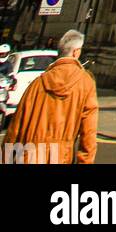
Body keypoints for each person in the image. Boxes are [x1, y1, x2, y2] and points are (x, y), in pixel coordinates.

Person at [5, 29, 97, 164]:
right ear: (76, 52)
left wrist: (6, 158)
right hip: (61, 157)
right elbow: (88, 133)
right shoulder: (86, 83)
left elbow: (15, 128)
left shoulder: (37, 84)